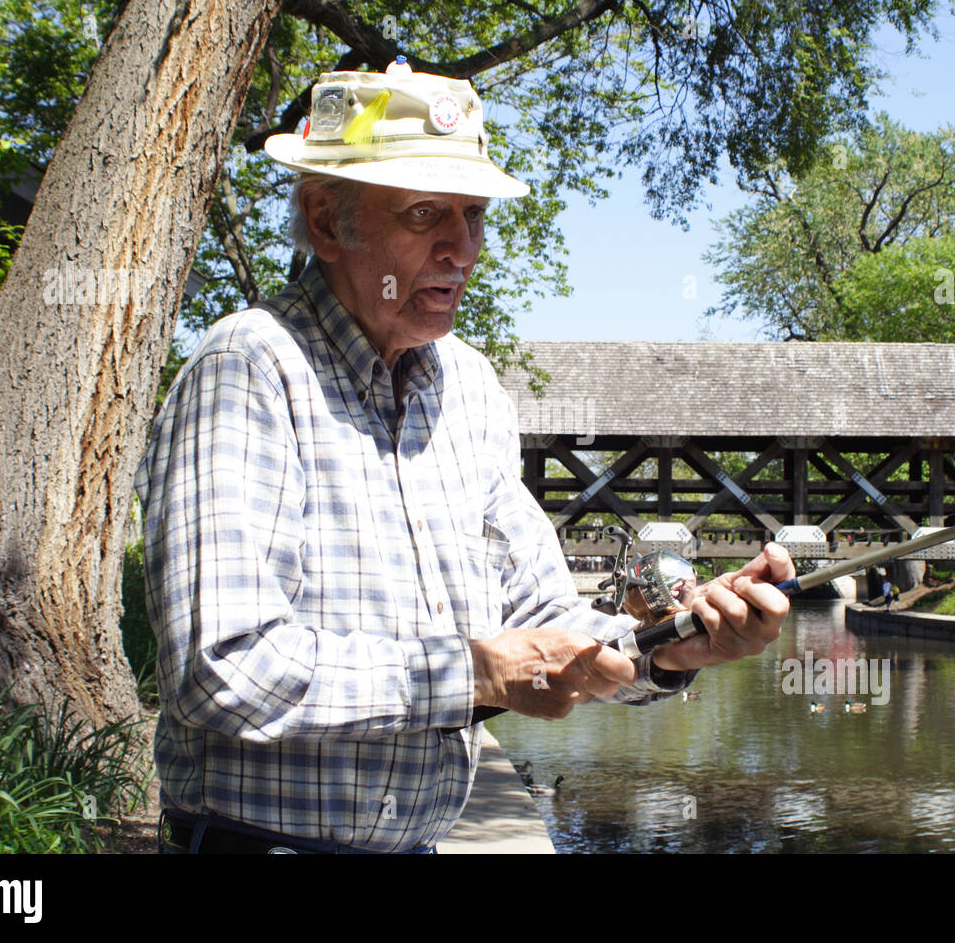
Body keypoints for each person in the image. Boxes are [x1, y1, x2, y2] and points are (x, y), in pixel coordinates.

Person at [133, 58, 794, 854]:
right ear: (323, 221)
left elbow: (545, 624)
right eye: (423, 214)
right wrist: (474, 673)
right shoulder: (249, 366)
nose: (462, 249)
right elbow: (223, 669)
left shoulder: (470, 387)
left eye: (473, 214)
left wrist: (666, 645)